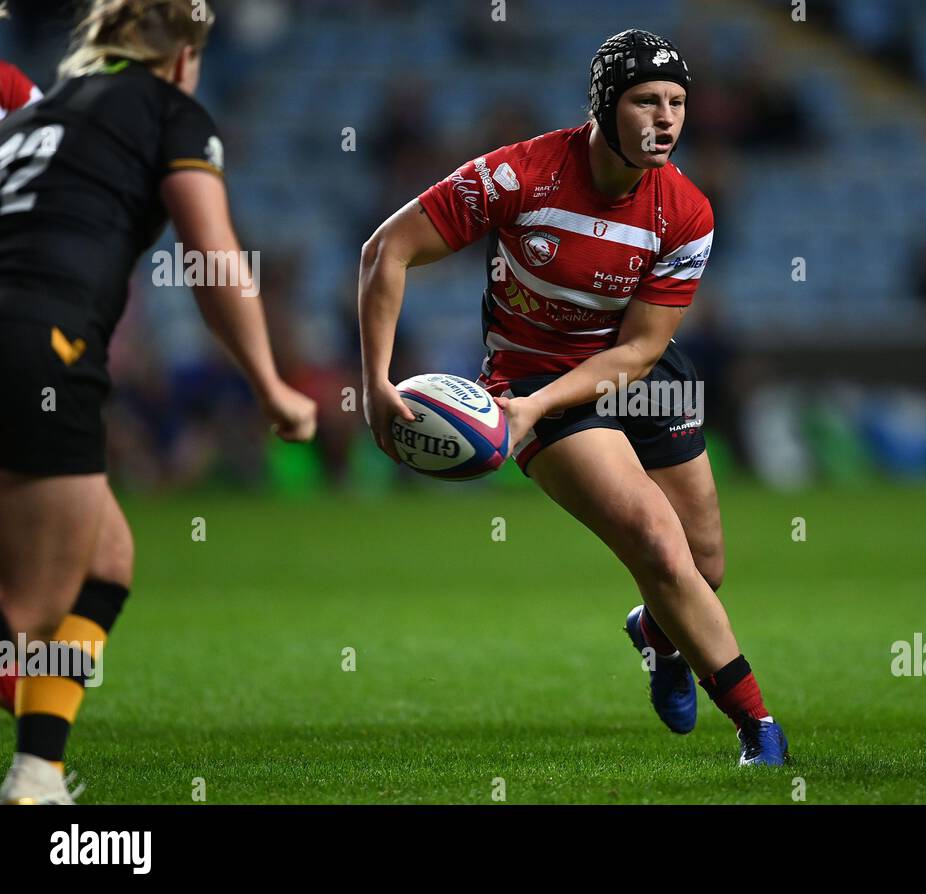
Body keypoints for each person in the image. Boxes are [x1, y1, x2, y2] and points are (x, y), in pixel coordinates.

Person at [358, 29, 789, 766]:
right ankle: (760, 732)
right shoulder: (518, 175)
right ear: (603, 106)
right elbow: (385, 250)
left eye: (677, 103)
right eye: (646, 101)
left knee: (703, 567)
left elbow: (641, 349)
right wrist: (373, 383)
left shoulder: (686, 213)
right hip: (532, 380)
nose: (666, 120)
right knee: (658, 543)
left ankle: (656, 633)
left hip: (637, 372)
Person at [0, 0, 317, 803]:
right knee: (33, 612)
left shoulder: (37, 117)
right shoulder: (171, 112)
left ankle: (37, 774)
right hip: (41, 346)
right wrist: (270, 383)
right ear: (183, 57)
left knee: (106, 560)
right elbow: (213, 262)